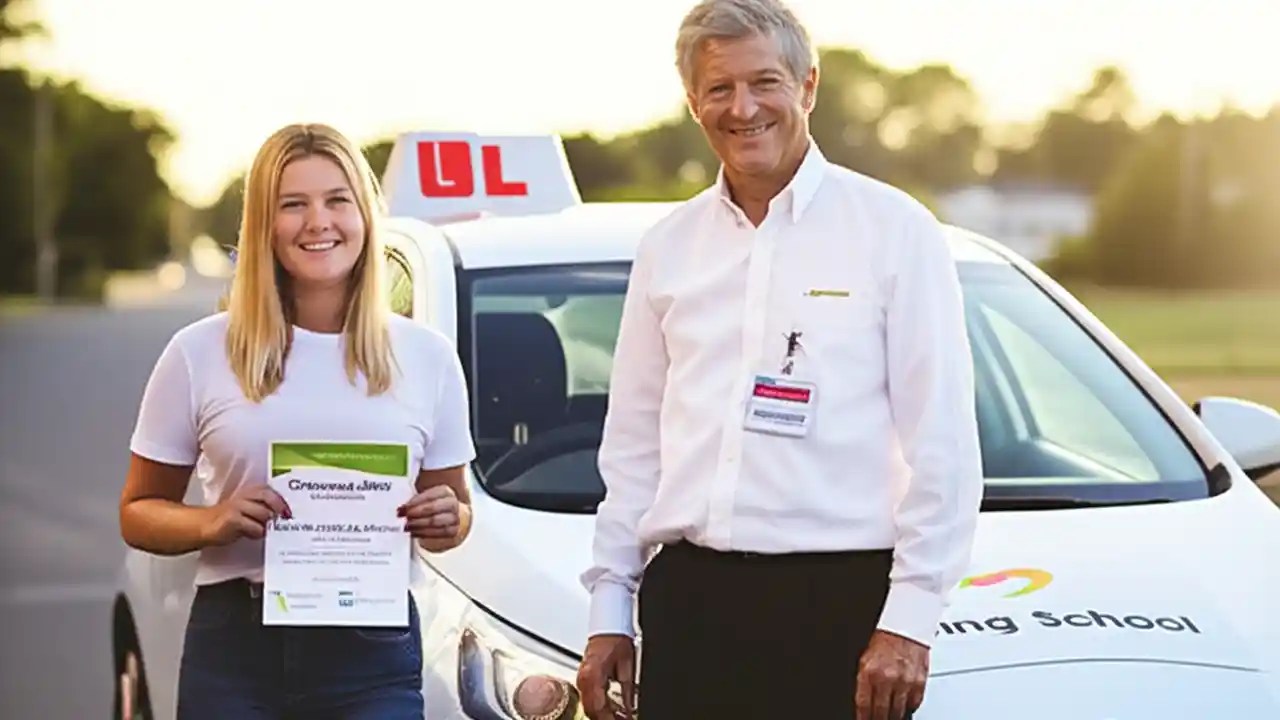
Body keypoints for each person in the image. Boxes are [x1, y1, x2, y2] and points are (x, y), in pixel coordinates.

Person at [575, 1, 983, 718]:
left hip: (842, 610)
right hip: (691, 609)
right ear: (694, 103)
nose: (744, 107)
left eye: (765, 82)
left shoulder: (895, 233)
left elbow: (944, 446)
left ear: (809, 87)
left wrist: (910, 621)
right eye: (719, 88)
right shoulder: (667, 248)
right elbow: (634, 443)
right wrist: (611, 606)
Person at [119, 123, 476, 719]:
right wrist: (213, 521)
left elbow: (455, 513)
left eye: (337, 200)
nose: (319, 222)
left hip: (372, 649)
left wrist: (449, 517)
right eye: (293, 204)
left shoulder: (427, 356)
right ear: (264, 224)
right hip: (235, 648)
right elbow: (138, 512)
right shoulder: (198, 352)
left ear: (364, 214)